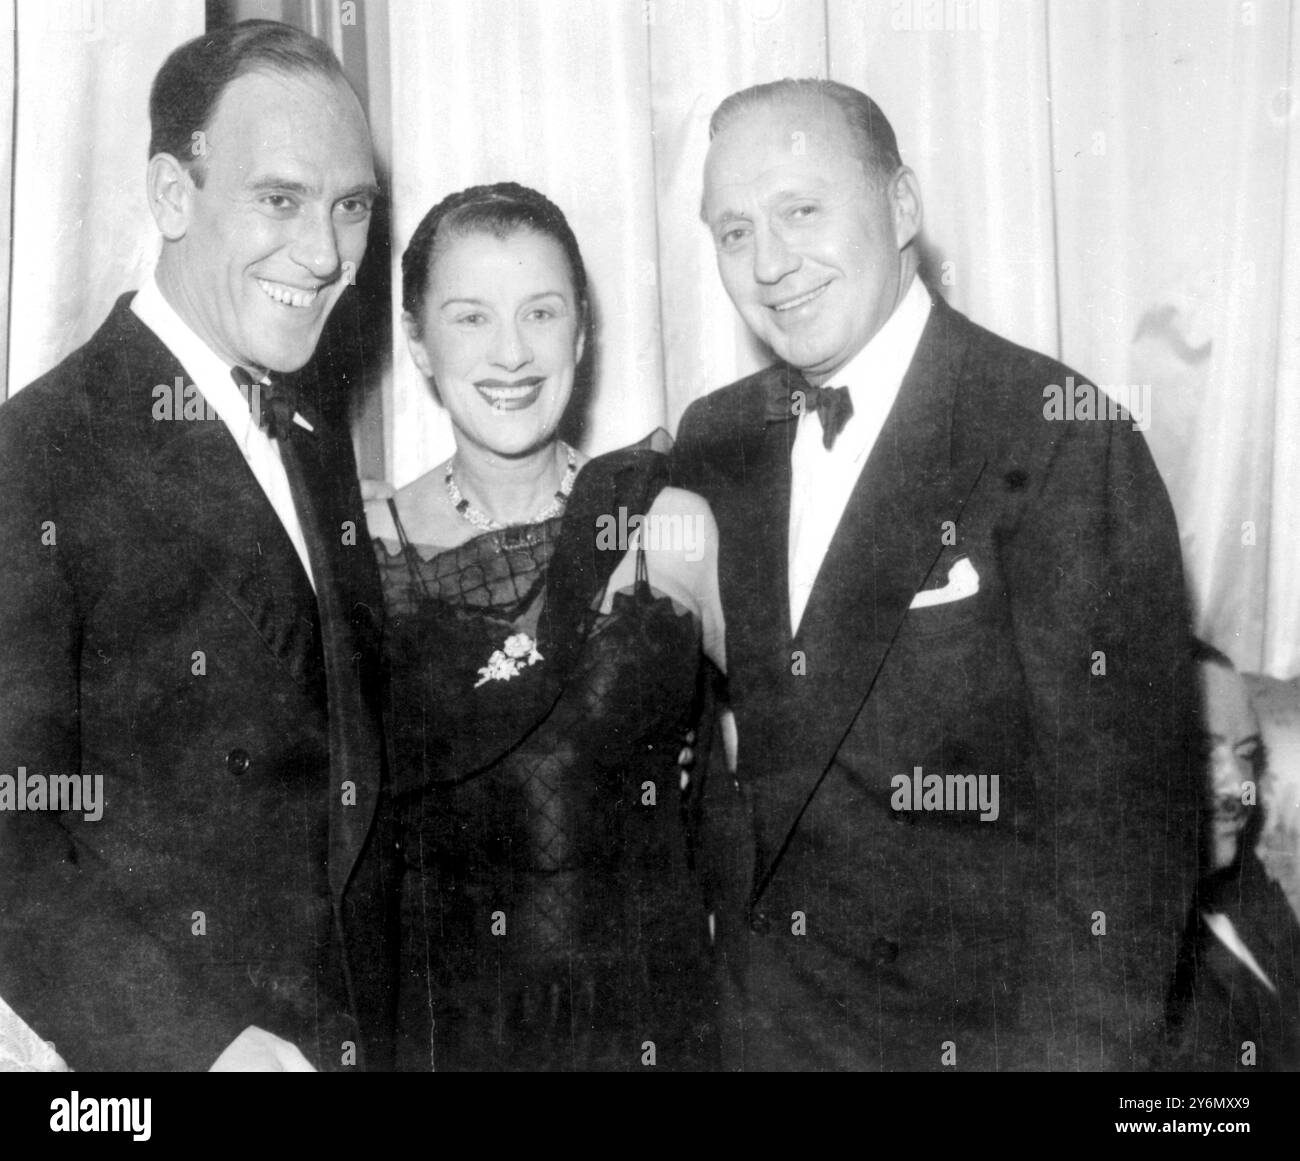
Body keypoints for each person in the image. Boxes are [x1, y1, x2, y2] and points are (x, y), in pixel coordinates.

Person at [672, 78, 1203, 1070]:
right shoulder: (715, 437)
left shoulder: (1057, 433)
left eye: (800, 209)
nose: (770, 262)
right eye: (733, 232)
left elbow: (1123, 849)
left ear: (902, 206)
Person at [0, 20, 395, 1071]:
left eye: (349, 208)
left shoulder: (314, 442)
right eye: (279, 199)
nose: (323, 255)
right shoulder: (37, 452)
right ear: (173, 196)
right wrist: (199, 1048)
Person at [365, 182, 723, 1071]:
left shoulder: (670, 524)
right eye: (471, 318)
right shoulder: (361, 548)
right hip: (444, 1033)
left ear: (582, 329)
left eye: (540, 312)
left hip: (654, 1020)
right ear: (417, 339)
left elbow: (770, 774)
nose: (513, 353)